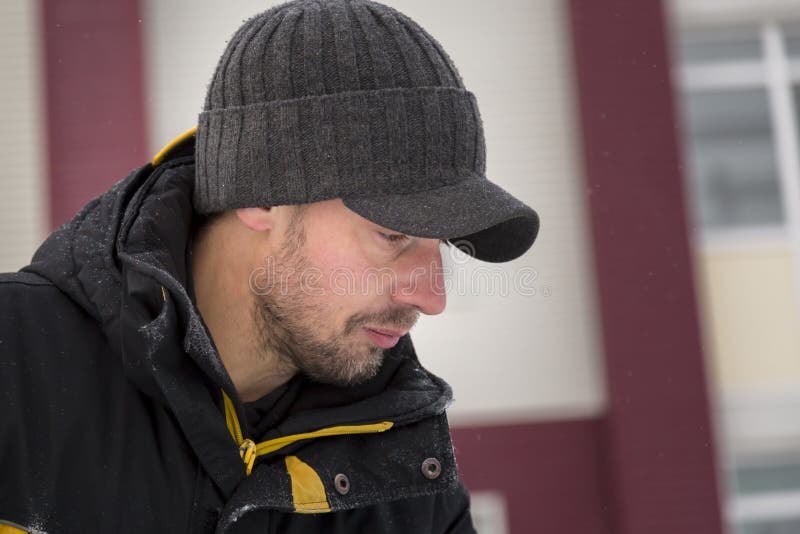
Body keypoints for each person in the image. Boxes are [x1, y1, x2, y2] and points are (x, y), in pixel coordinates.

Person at [0, 0, 539, 532]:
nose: (433, 297)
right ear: (261, 197)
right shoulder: (17, 368)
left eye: (440, 243)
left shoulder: (411, 487)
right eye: (392, 235)